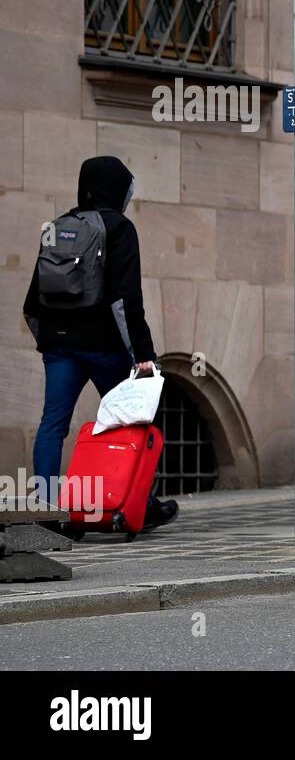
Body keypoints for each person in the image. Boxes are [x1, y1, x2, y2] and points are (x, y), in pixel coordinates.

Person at [22, 156, 178, 531]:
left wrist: (49, 341)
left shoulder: (58, 226)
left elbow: (33, 300)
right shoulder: (119, 228)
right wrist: (143, 353)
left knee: (52, 425)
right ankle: (136, 505)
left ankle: (47, 511)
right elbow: (125, 298)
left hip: (60, 348)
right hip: (105, 346)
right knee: (132, 422)